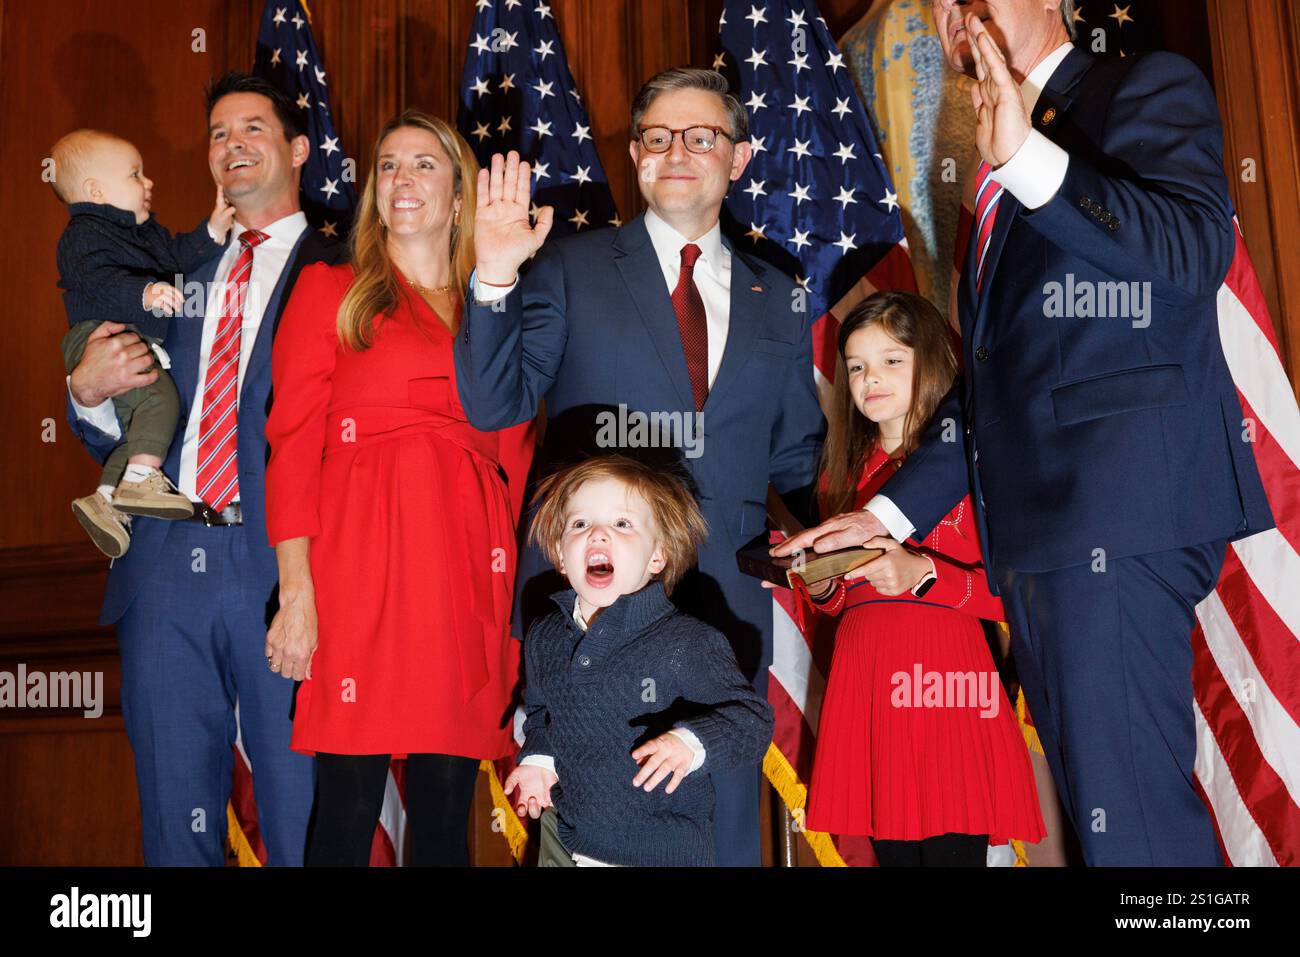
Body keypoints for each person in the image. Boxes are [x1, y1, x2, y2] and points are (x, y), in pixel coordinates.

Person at [775, 1, 1273, 865]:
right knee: (1107, 823)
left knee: (1137, 828)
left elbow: (1192, 256)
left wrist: (1034, 163)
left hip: (1115, 519)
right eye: (942, 3)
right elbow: (988, 392)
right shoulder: (995, 166)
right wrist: (886, 518)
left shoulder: (1138, 89)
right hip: (1041, 542)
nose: (958, 13)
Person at [455, 66, 825, 866]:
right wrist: (492, 276)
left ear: (740, 156)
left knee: (719, 821)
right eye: (657, 137)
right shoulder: (567, 266)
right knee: (590, 814)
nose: (677, 152)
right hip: (595, 601)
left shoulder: (778, 293)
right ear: (635, 154)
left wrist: (846, 534)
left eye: (701, 136)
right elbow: (493, 405)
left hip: (726, 596)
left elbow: (798, 456)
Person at [64, 72, 345, 865]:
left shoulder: (351, 266)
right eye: (219, 134)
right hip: (162, 565)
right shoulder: (170, 268)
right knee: (175, 830)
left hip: (287, 570)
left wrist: (309, 584)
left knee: (304, 822)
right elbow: (125, 418)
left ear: (297, 148)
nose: (232, 145)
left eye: (253, 127)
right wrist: (86, 394)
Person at [263, 110, 534, 867]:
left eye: (423, 164)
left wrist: (514, 614)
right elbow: (290, 446)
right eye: (387, 165)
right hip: (357, 569)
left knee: (446, 812)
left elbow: (519, 465)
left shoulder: (498, 304)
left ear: (459, 196)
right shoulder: (332, 289)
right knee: (345, 806)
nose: (401, 179)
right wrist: (297, 590)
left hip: (465, 575)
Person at [774, 291, 1043, 866]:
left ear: (933, 360)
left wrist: (924, 574)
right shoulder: (843, 471)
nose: (871, 378)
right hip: (866, 685)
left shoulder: (977, 466)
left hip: (948, 681)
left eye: (891, 359)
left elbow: (1021, 595)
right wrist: (819, 582)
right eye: (856, 366)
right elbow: (844, 597)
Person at [505, 455, 773, 866]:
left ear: (657, 557)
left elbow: (752, 721)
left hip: (660, 852)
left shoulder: (684, 641)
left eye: (622, 524)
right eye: (579, 524)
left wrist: (690, 743)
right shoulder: (545, 637)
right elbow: (542, 712)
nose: (597, 534)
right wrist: (539, 759)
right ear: (560, 554)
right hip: (566, 842)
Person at [51, 129, 235, 555]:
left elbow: (176, 256)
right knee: (160, 402)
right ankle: (138, 484)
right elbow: (98, 279)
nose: (148, 183)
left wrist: (212, 230)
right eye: (135, 175)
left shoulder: (145, 232)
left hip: (132, 336)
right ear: (95, 191)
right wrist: (145, 294)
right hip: (98, 337)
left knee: (145, 429)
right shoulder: (82, 236)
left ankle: (107, 500)